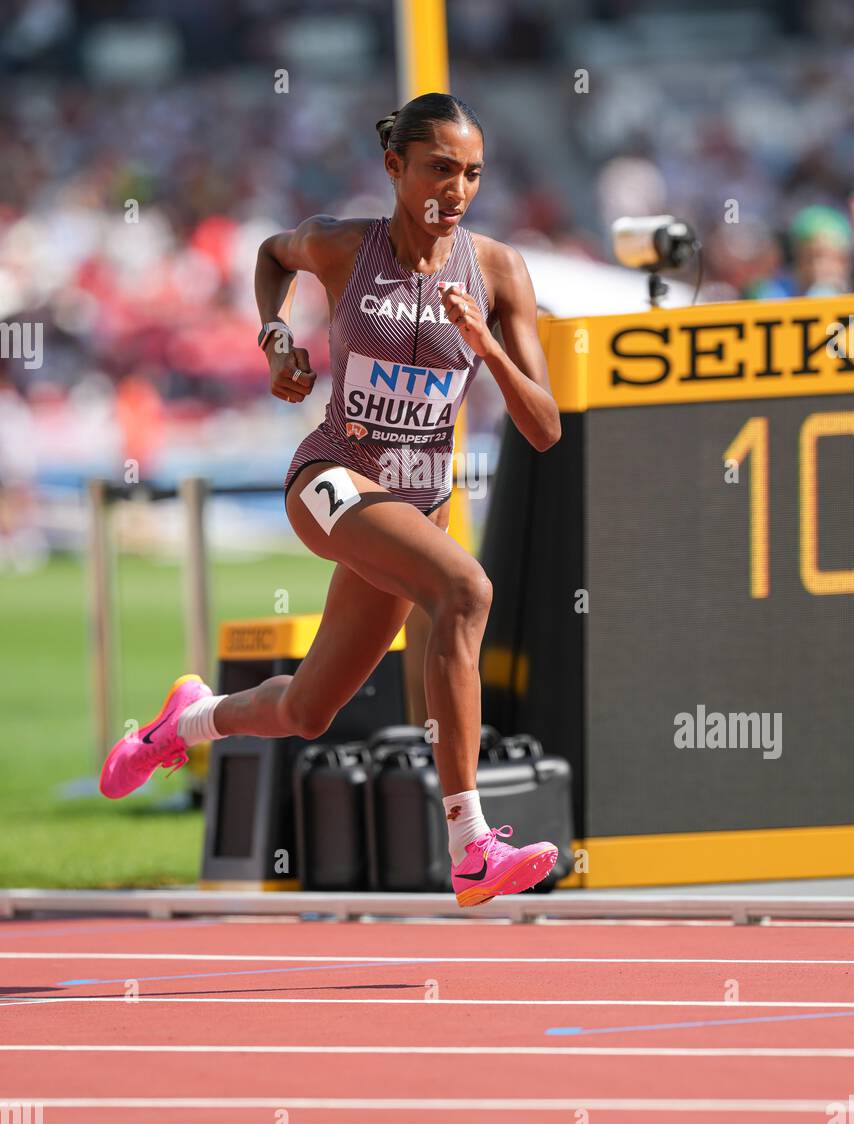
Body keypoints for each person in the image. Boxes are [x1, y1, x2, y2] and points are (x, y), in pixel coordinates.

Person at [99, 92, 562, 907]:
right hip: (331, 479)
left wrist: (485, 342)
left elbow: (546, 426)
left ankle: (183, 723)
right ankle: (471, 842)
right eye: (440, 170)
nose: (456, 191)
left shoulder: (497, 272)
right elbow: (272, 256)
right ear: (395, 167)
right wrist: (276, 339)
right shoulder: (346, 246)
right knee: (466, 590)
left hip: (413, 510)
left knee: (309, 710)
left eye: (473, 175)